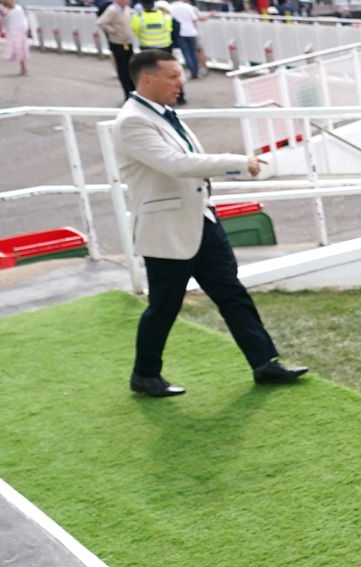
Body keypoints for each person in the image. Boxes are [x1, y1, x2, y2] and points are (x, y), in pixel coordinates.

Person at [115, 50, 305, 398]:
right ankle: (144, 374)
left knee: (232, 294)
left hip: (202, 220)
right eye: (172, 76)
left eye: (179, 75)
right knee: (165, 306)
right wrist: (237, 162)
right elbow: (175, 163)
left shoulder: (164, 115)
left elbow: (186, 162)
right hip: (167, 230)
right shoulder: (132, 121)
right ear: (146, 80)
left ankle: (265, 363)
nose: (180, 82)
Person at [97, 0, 139, 95]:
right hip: (118, 42)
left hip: (127, 41)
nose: (127, 0)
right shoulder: (112, 10)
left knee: (130, 66)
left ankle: (134, 89)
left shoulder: (127, 9)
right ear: (117, 0)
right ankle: (127, 91)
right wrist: (112, 31)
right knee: (122, 68)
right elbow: (100, 22)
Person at [169, 0, 204, 79]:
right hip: (191, 32)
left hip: (180, 32)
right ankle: (195, 70)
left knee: (186, 53)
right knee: (193, 52)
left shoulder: (170, 7)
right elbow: (194, 19)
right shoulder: (188, 7)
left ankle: (192, 70)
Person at [0, 0, 33, 76]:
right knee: (22, 49)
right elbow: (24, 19)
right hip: (21, 31)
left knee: (16, 49)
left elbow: (3, 21)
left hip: (12, 31)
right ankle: (23, 66)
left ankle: (23, 67)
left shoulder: (4, 11)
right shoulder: (19, 8)